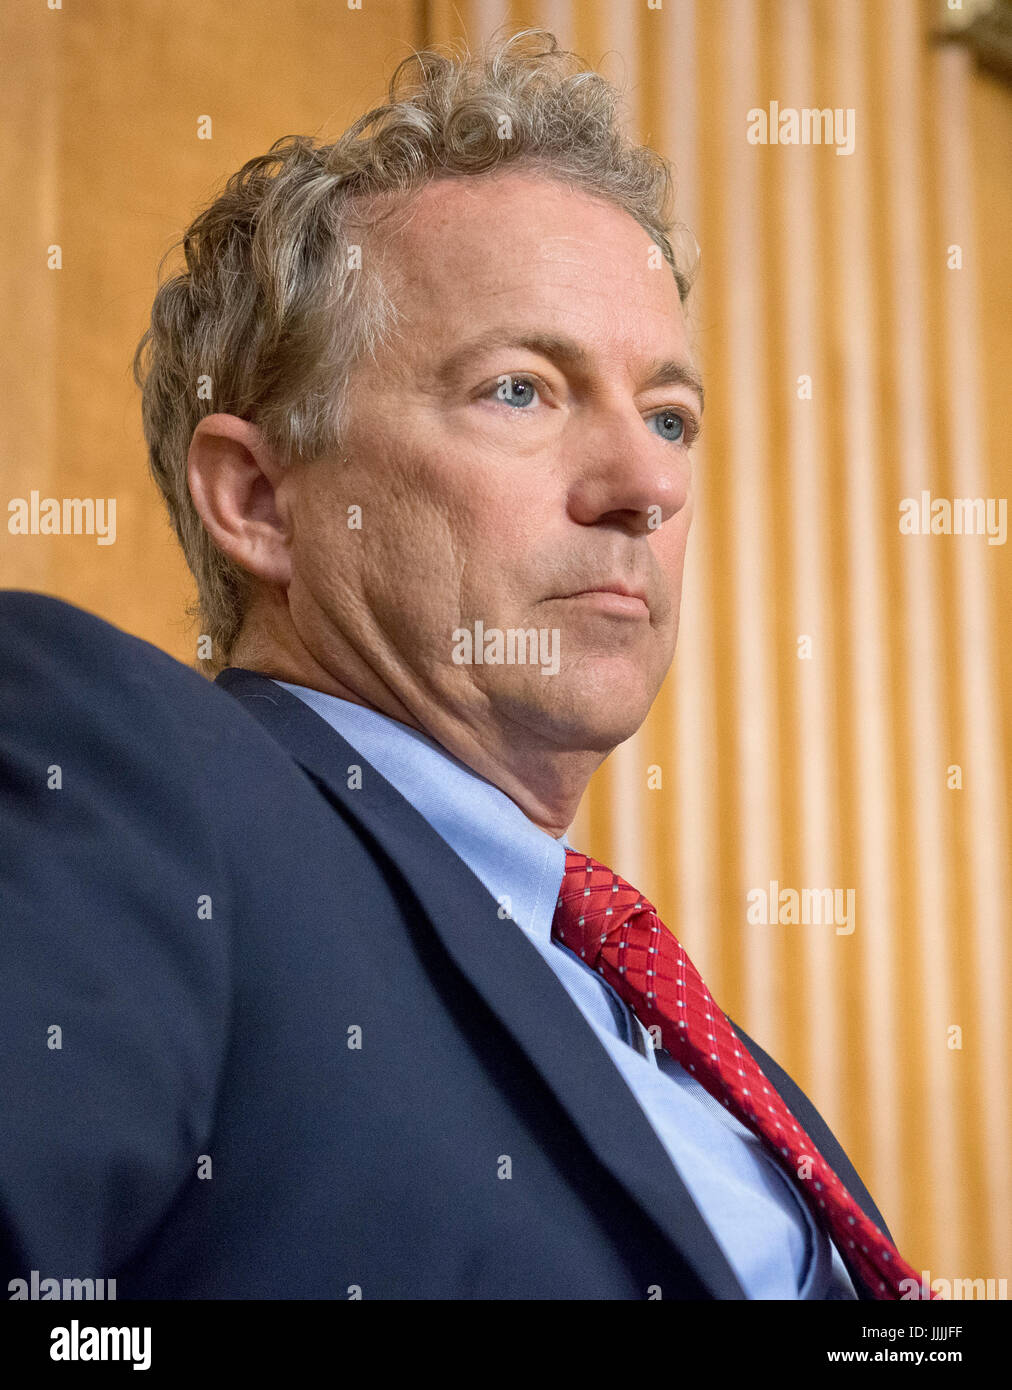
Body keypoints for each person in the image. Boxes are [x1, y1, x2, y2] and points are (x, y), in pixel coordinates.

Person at [0, 28, 922, 1300]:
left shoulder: (719, 1069)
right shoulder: (129, 776)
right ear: (262, 498)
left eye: (669, 416)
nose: (646, 483)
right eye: (520, 391)